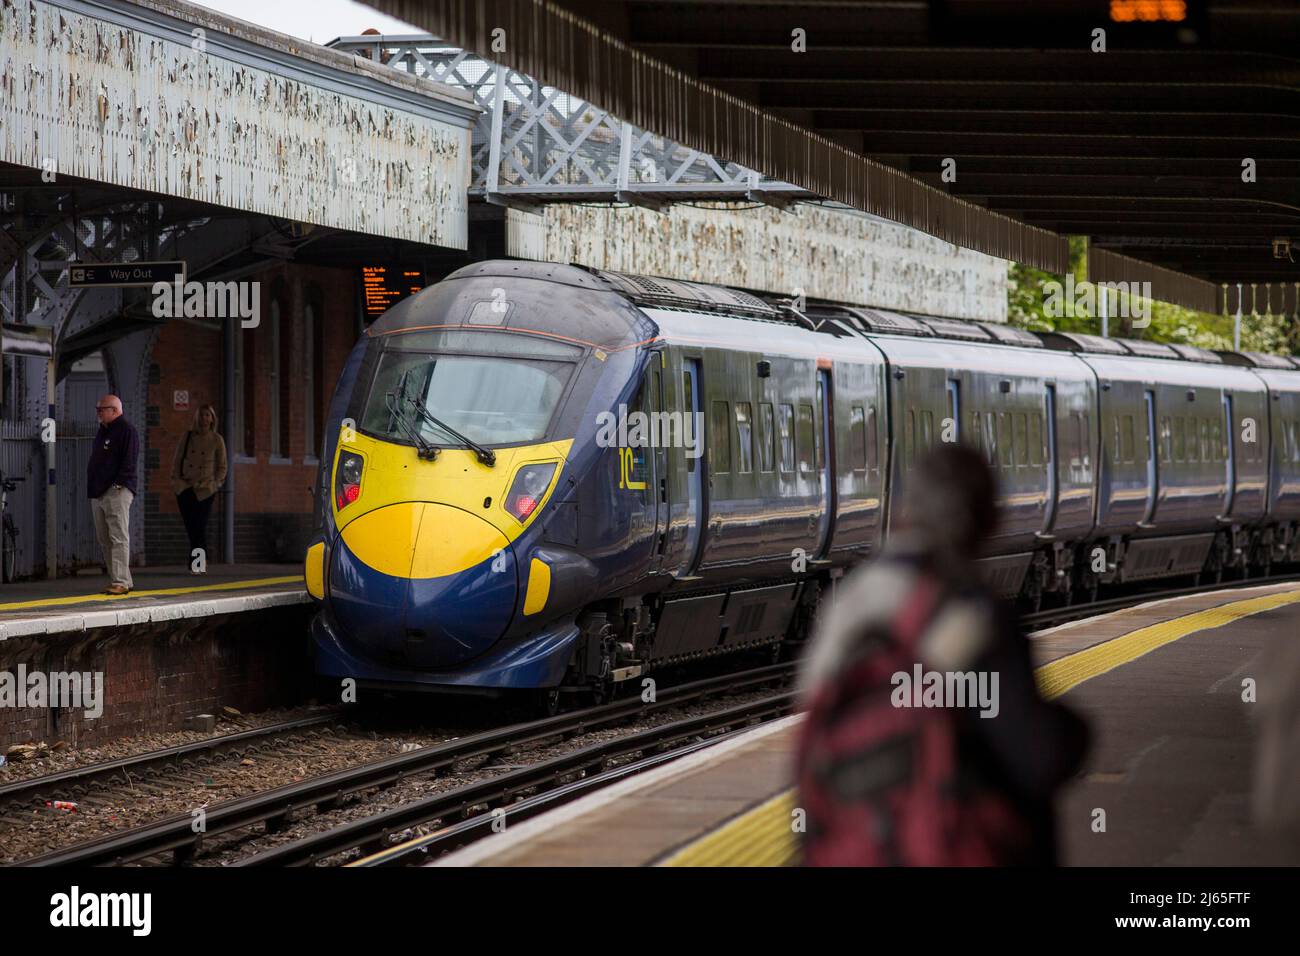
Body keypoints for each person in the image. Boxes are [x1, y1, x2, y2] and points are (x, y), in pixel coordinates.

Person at [796, 443, 1089, 866]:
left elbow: (812, 745)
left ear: (904, 511)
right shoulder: (969, 612)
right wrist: (1078, 730)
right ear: (987, 522)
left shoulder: (847, 609)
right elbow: (1037, 755)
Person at [87, 394, 139, 595]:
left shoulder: (126, 431)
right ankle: (123, 578)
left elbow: (129, 461)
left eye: (102, 409)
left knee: (118, 536)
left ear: (115, 410)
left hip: (115, 491)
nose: (98, 413)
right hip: (99, 491)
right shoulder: (103, 431)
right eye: (98, 409)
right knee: (105, 538)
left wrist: (119, 486)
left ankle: (120, 582)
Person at [170, 404, 228, 573]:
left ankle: (198, 563)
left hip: (205, 489)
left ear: (212, 419)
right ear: (197, 418)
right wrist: (176, 483)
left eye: (207, 415)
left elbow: (222, 466)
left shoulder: (217, 440)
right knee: (191, 526)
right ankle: (199, 561)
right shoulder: (187, 437)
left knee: (199, 526)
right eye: (201, 415)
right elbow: (177, 460)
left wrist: (216, 484)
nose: (204, 418)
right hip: (185, 487)